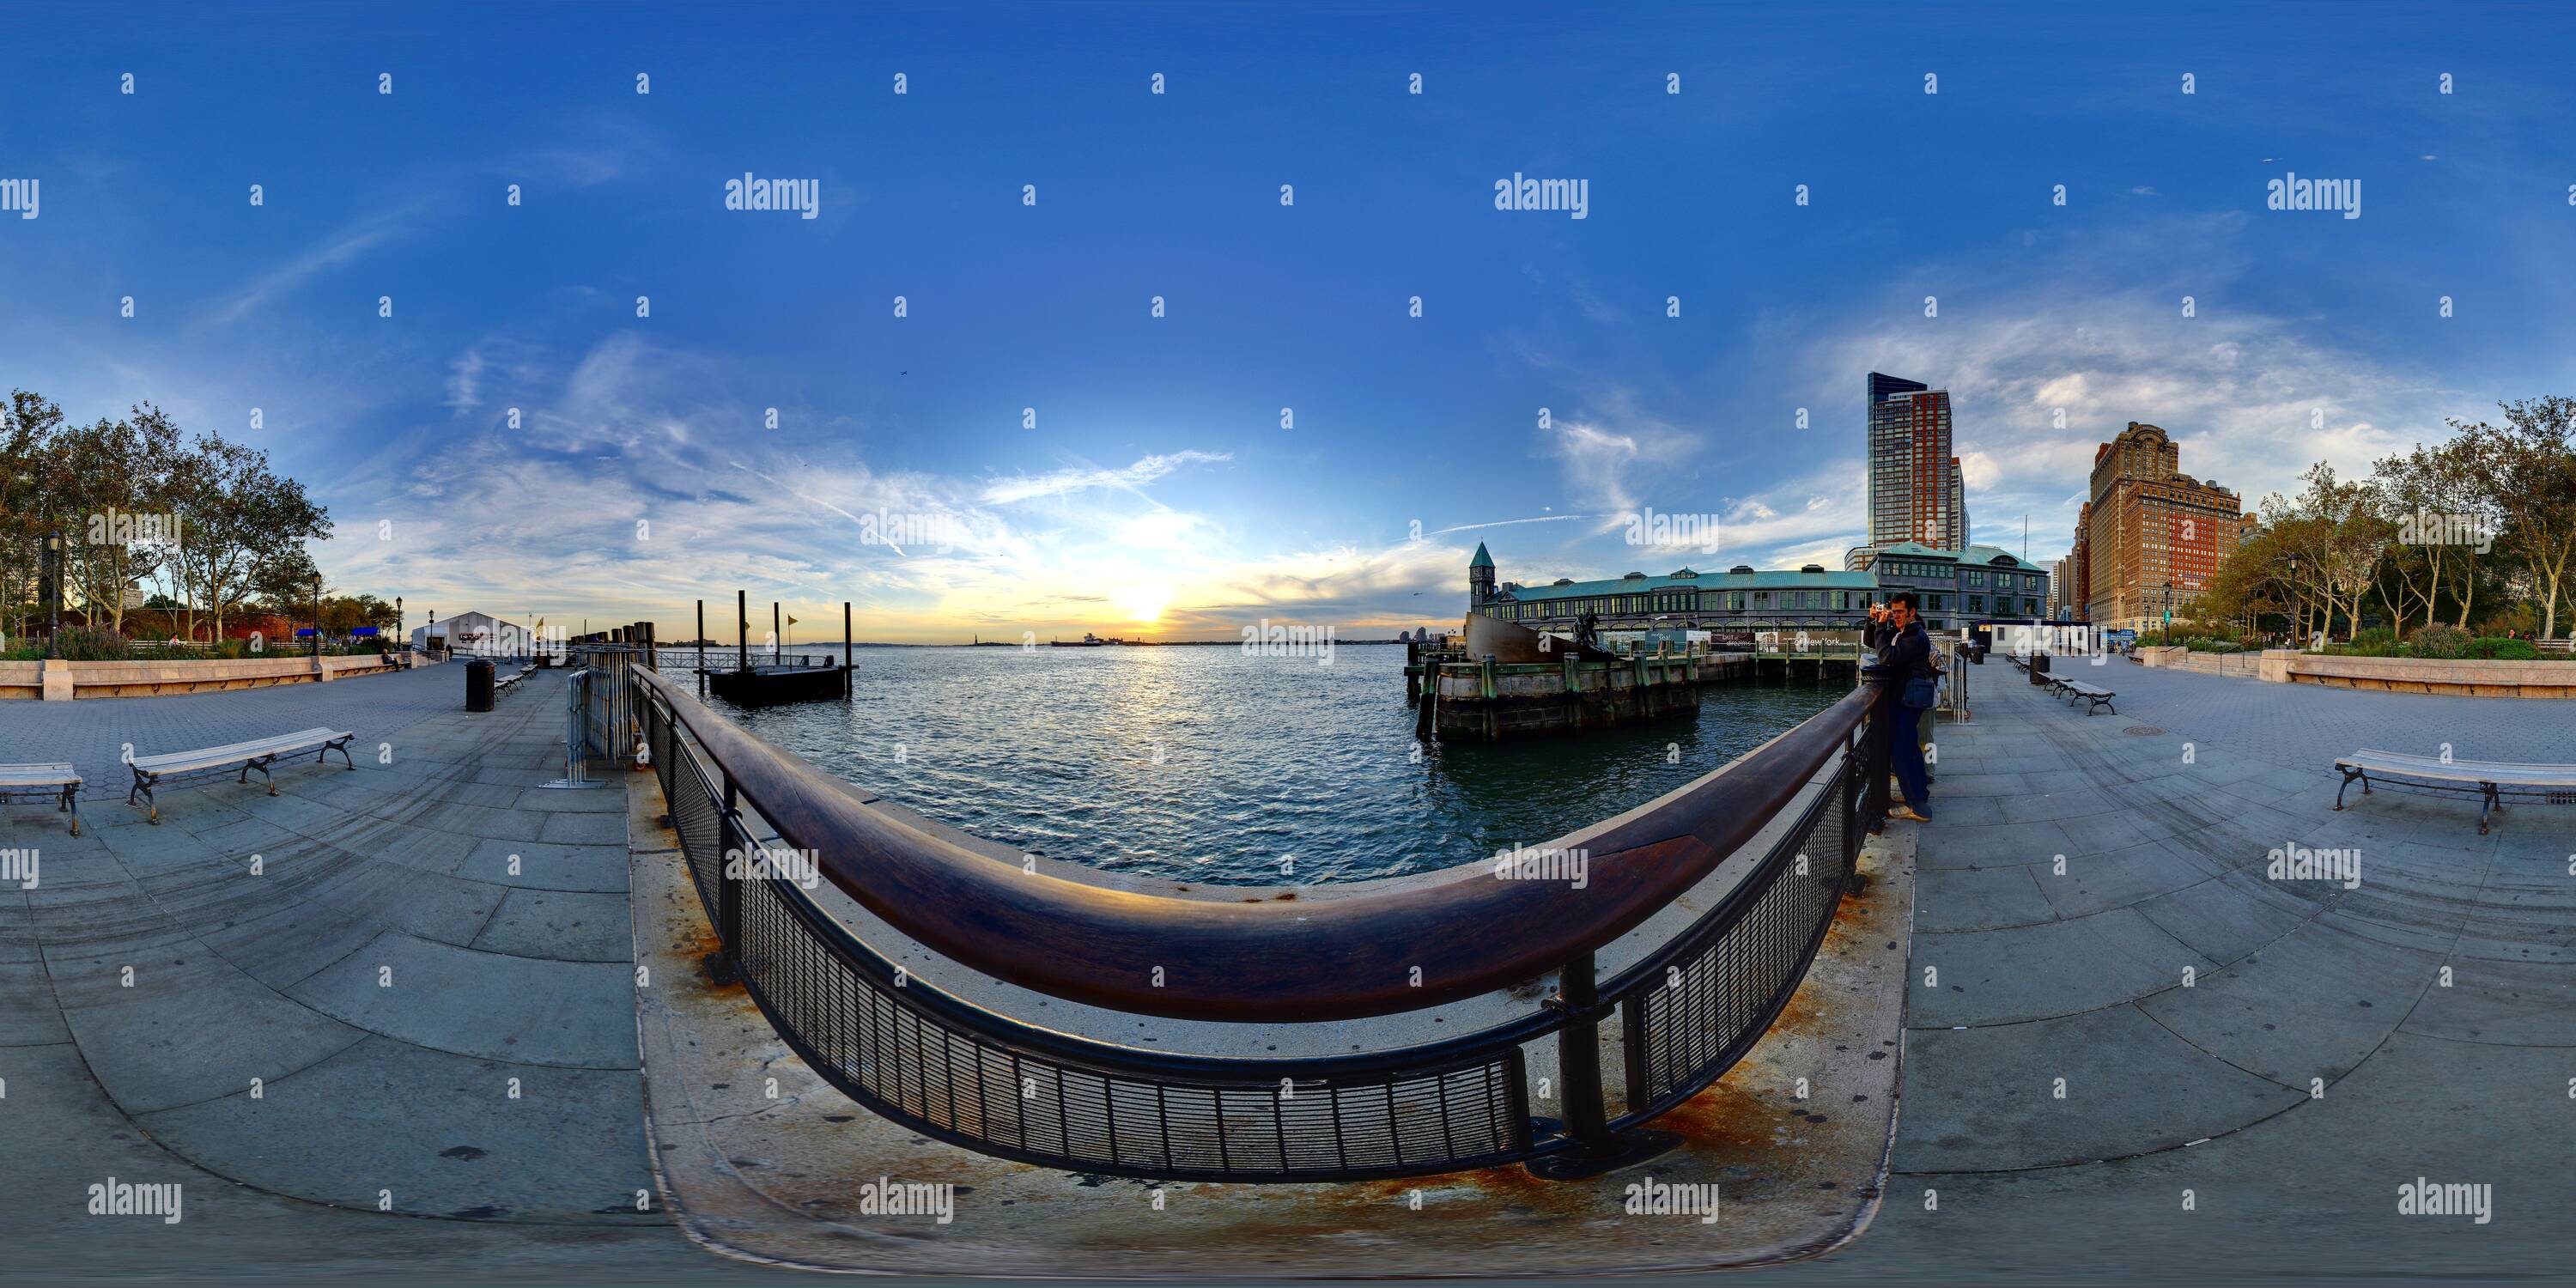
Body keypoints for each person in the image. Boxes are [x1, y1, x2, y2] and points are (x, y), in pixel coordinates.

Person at [1875, 594, 1935, 823]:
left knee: (1901, 750)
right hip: (1907, 697)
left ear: (1912, 612)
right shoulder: (1905, 632)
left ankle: (1916, 806)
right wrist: (1874, 623)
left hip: (1907, 699)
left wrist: (1881, 625)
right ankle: (1919, 794)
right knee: (1909, 748)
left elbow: (1885, 656)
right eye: (1893, 612)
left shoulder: (1915, 636)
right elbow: (1874, 642)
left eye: (1900, 612)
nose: (1896, 616)